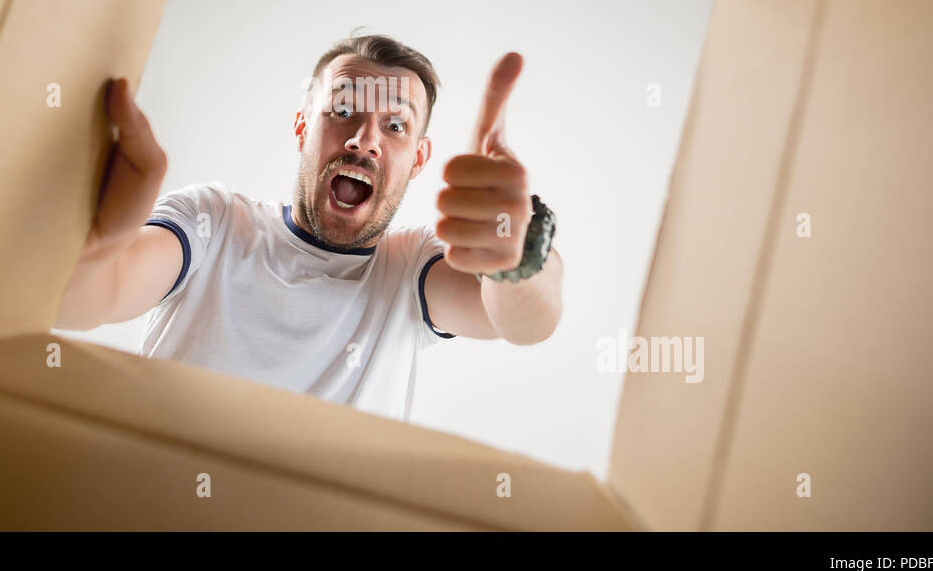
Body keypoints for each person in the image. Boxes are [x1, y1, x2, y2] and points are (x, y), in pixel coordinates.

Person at [55, 34, 562, 421]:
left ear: (418, 159)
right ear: (303, 126)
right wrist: (97, 250)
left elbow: (525, 324)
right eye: (342, 110)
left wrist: (520, 252)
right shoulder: (211, 223)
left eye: (395, 125)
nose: (364, 140)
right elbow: (88, 297)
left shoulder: (410, 274)